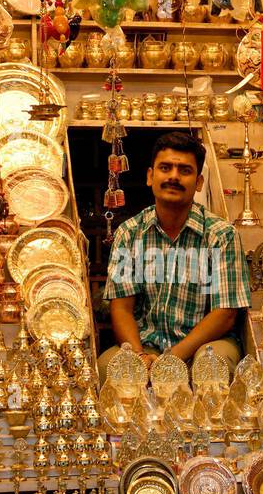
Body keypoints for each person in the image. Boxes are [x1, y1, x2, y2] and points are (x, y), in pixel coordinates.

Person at [99, 131, 251, 381]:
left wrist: (172, 359)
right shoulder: (130, 233)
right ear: (150, 176)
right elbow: (122, 308)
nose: (173, 177)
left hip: (206, 344)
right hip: (146, 345)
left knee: (211, 367)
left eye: (184, 170)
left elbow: (224, 313)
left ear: (199, 182)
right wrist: (138, 358)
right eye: (165, 168)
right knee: (110, 367)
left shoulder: (220, 235)